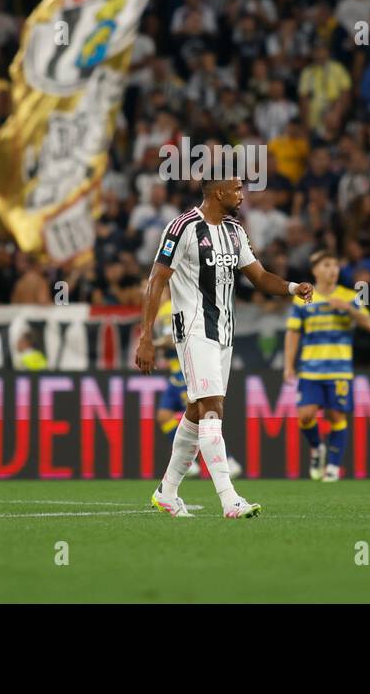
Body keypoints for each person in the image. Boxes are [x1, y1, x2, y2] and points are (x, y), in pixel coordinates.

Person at [135, 177, 313, 519]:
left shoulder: (234, 230)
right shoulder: (182, 227)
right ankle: (229, 499)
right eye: (236, 190)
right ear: (218, 192)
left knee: (196, 410)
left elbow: (259, 277)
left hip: (224, 334)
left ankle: (167, 492)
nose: (242, 196)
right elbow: (157, 279)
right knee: (213, 409)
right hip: (194, 330)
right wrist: (146, 336)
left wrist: (292, 287)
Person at [284, 250, 370, 481]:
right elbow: (293, 332)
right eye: (326, 265)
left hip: (339, 370)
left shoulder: (351, 295)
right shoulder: (303, 297)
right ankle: (317, 448)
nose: (332, 269)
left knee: (336, 415)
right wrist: (288, 366)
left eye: (335, 265)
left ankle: (333, 468)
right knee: (305, 415)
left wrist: (348, 309)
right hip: (310, 369)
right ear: (315, 271)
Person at [154, 289, 242, 479]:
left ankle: (227, 461)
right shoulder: (162, 309)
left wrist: (152, 344)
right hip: (175, 374)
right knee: (164, 416)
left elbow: (170, 340)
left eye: (147, 287)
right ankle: (189, 462)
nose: (145, 292)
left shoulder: (168, 308)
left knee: (202, 419)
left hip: (185, 372)